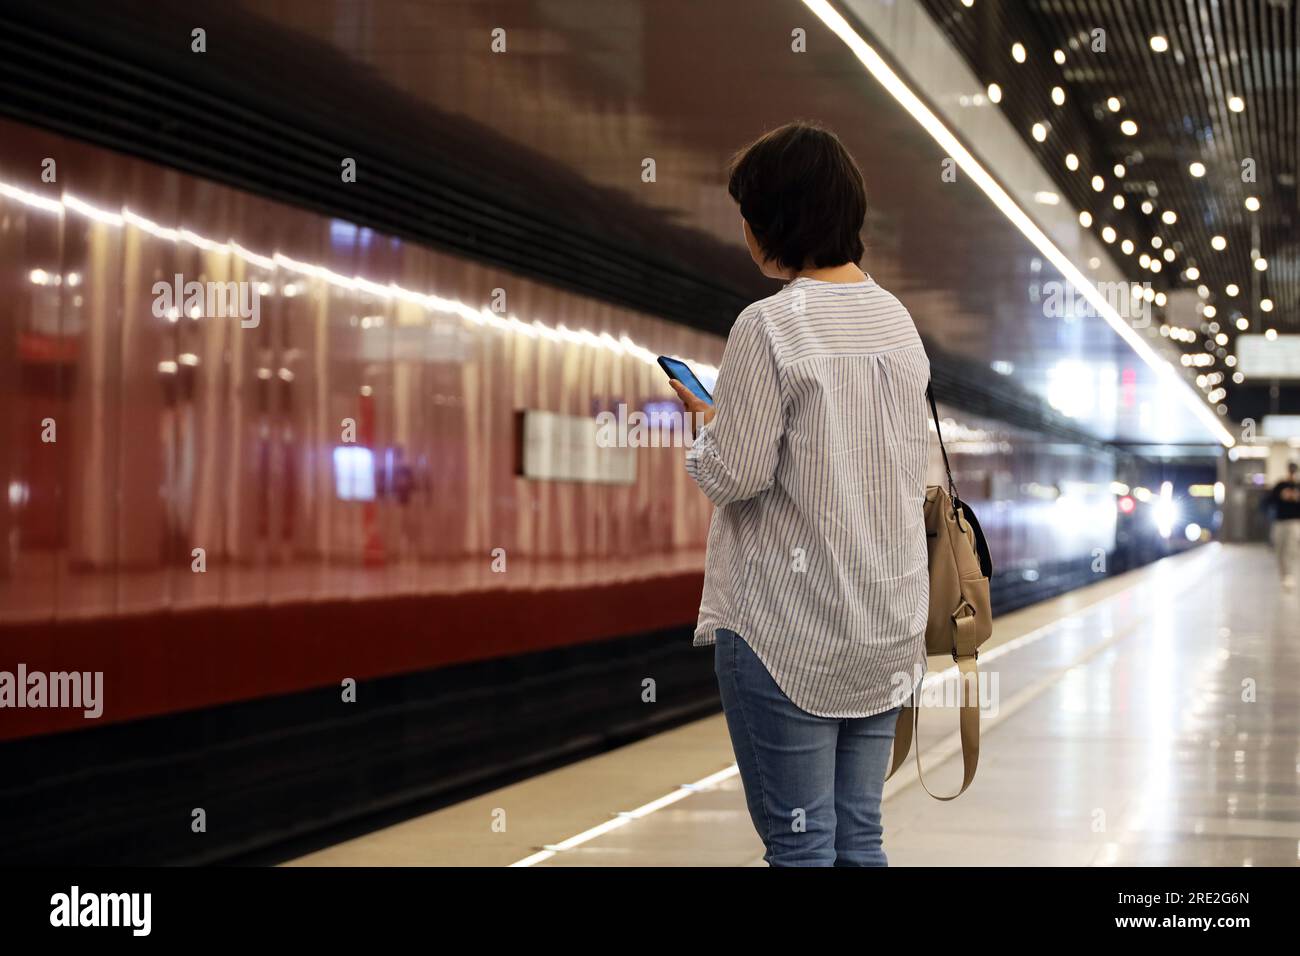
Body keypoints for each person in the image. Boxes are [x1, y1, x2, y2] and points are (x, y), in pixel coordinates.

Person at [670, 122, 930, 867]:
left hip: (789, 634)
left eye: (748, 213)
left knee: (800, 845)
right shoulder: (899, 322)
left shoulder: (771, 325)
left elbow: (735, 475)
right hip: (884, 628)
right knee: (858, 837)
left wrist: (707, 429)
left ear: (773, 221)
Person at [1270, 462, 1300, 591]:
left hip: (1294, 522)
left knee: (1291, 549)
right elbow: (1270, 501)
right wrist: (1281, 495)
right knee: (1279, 550)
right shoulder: (1280, 485)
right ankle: (1284, 575)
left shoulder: (1298, 486)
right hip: (1279, 522)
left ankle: (1289, 575)